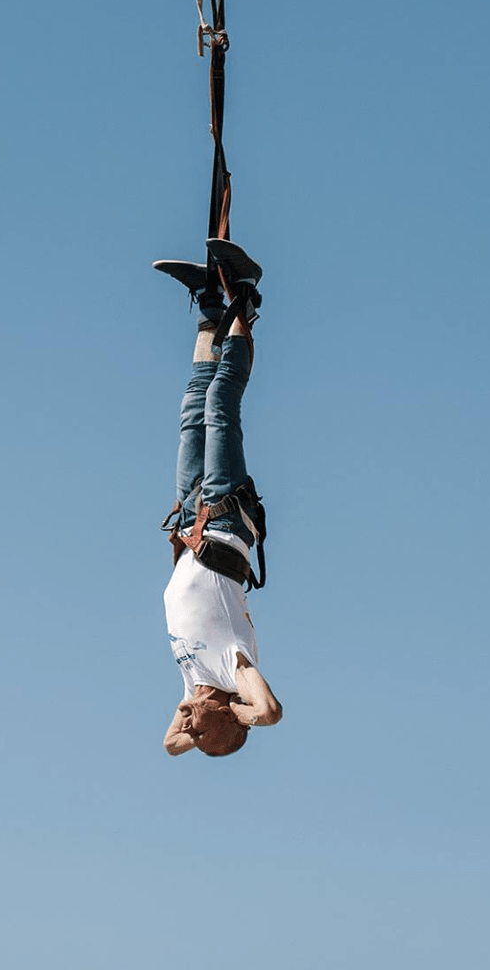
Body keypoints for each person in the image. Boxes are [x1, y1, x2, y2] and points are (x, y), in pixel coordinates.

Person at [153, 238, 282, 758]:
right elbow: (268, 712)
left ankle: (211, 306)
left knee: (192, 403)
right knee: (221, 402)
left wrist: (202, 718)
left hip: (190, 520)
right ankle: (244, 295)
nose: (184, 724)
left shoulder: (192, 689)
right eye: (199, 728)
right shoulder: (232, 667)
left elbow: (169, 747)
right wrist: (235, 712)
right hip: (226, 516)